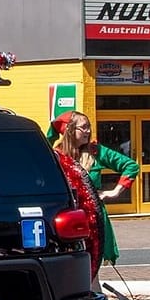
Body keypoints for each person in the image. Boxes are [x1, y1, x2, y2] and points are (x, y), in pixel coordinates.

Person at [50, 111, 138, 274]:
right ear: (70, 130)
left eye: (89, 126)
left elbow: (131, 165)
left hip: (93, 217)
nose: (88, 131)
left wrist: (115, 192)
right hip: (67, 216)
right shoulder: (56, 154)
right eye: (84, 127)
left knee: (91, 268)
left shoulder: (96, 151)